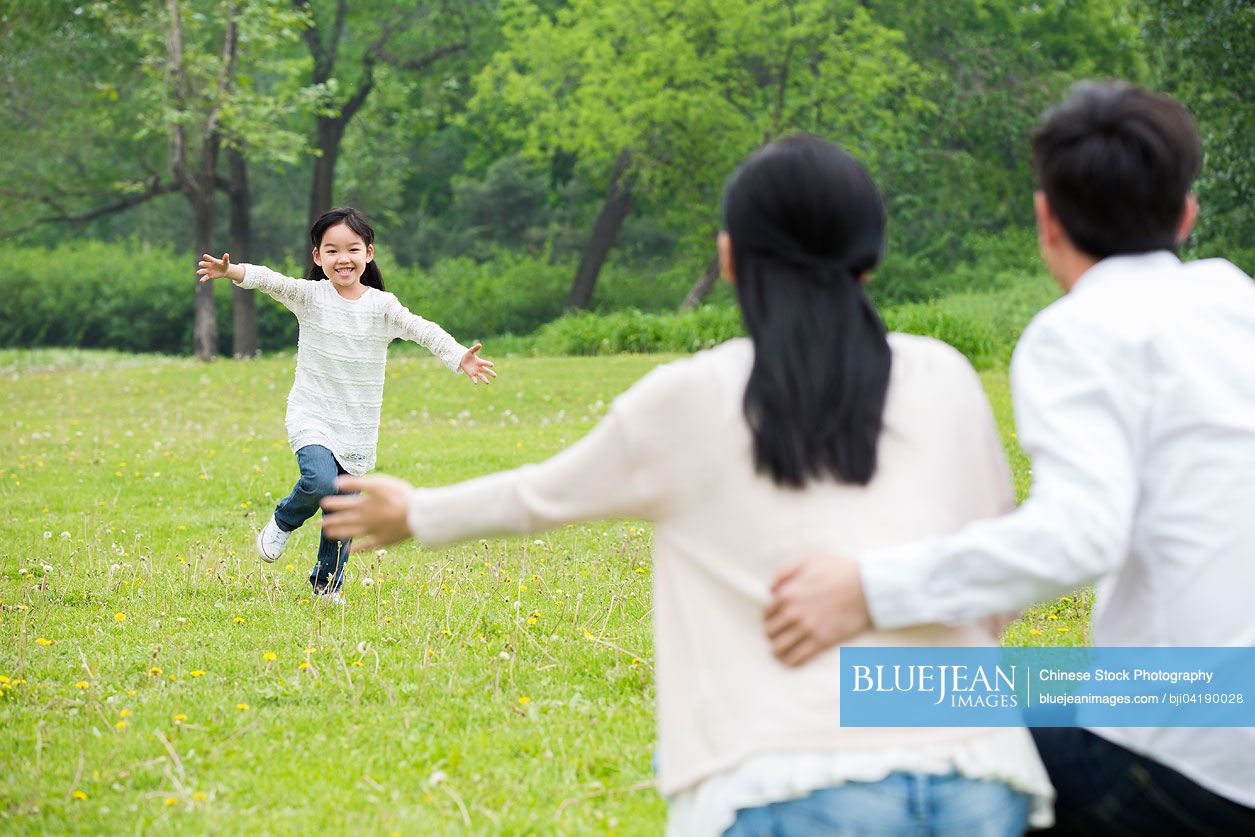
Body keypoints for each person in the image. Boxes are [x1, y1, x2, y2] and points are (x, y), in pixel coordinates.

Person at [321, 136, 1054, 835]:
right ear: (871, 253)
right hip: (981, 777)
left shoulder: (691, 395)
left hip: (784, 784)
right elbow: (999, 583)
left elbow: (540, 496)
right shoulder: (945, 375)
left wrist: (416, 511)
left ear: (730, 258)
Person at [763, 83, 1255, 833]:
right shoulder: (1236, 302)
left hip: (1192, 749)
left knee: (873, 703)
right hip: (1211, 694)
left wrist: (868, 587)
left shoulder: (1079, 330)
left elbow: (1079, 536)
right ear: (1186, 214)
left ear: (1044, 218)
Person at [196, 206, 496, 603]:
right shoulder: (310, 296)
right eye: (332, 251)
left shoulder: (383, 307)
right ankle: (285, 518)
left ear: (368, 253)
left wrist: (460, 356)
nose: (343, 259)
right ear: (318, 257)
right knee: (321, 482)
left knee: (343, 512)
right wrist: (232, 271)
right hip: (312, 413)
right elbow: (271, 281)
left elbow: (423, 330)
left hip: (357, 424)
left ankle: (326, 586)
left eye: (352, 249)